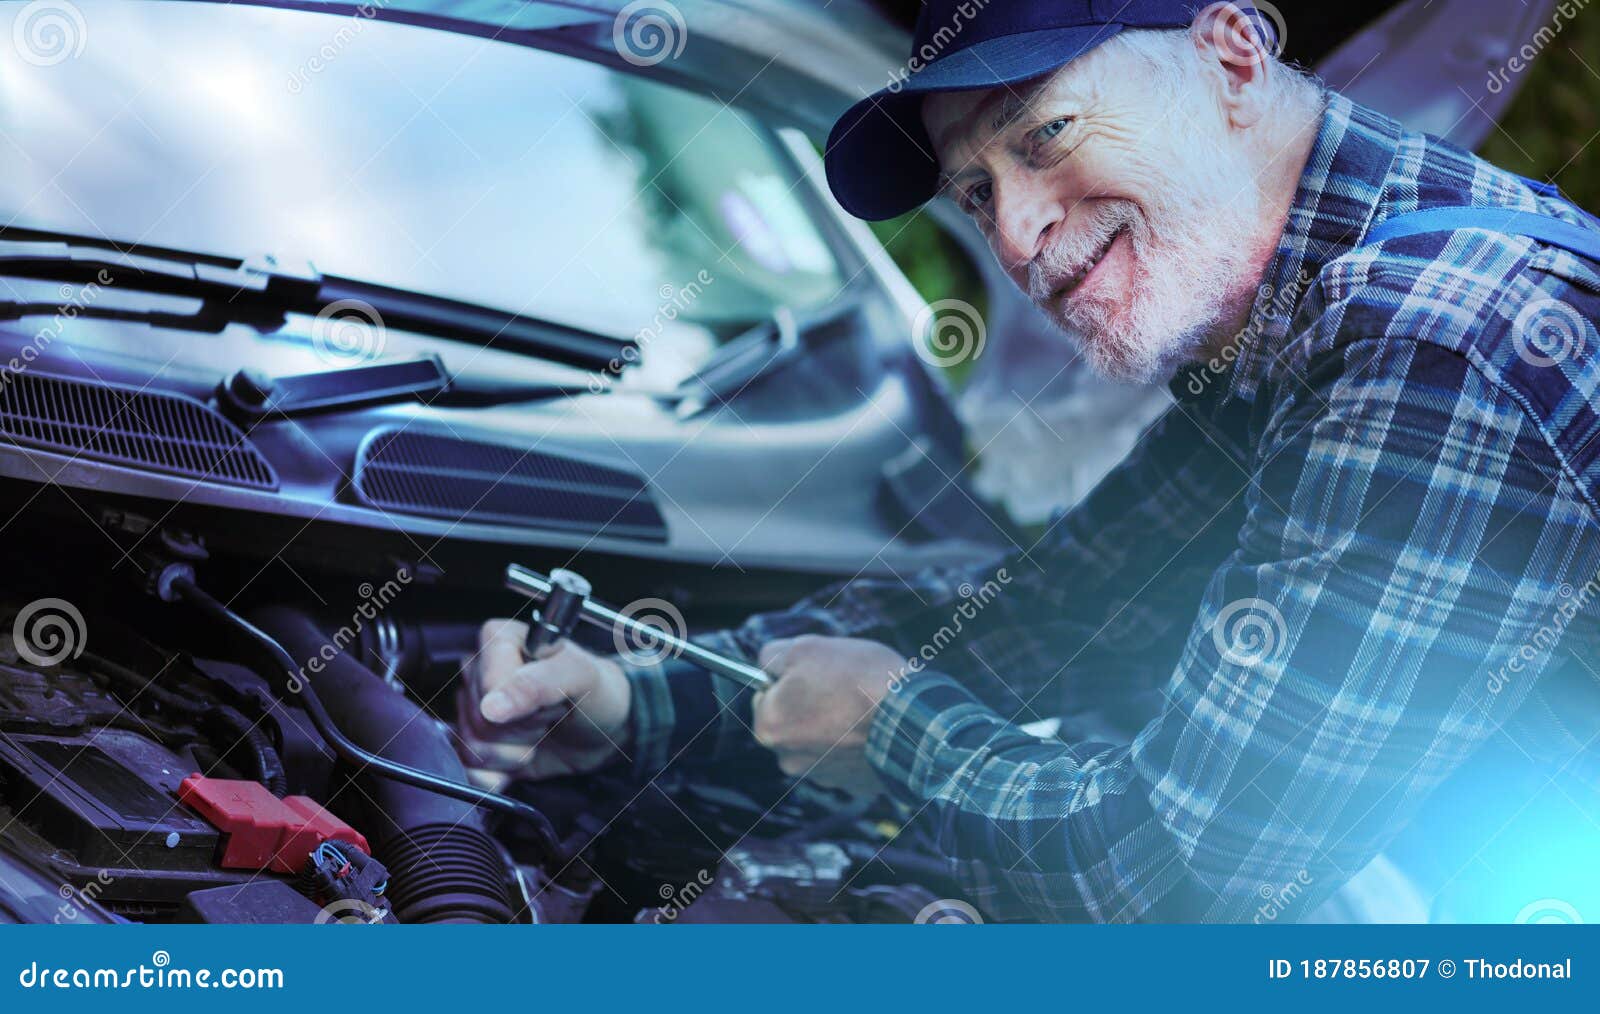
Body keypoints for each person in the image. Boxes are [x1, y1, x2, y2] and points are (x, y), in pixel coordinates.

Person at [470, 1, 1600, 922]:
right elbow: (1063, 612)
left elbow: (1177, 888)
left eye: (1043, 134)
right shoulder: (1308, 308)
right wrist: (632, 697)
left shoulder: (1445, 337)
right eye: (976, 192)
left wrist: (889, 722)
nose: (1010, 235)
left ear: (1231, 56)